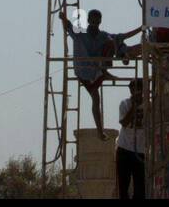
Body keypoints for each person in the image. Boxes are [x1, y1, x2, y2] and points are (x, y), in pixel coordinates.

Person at [58, 8, 141, 136]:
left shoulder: (102, 35)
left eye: (97, 22)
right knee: (96, 99)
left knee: (111, 41)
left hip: (97, 70)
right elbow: (68, 26)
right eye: (93, 21)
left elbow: (121, 36)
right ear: (89, 21)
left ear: (100, 22)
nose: (95, 24)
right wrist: (63, 18)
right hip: (84, 72)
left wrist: (140, 29)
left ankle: (124, 54)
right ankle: (100, 131)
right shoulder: (81, 33)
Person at [116, 78, 146, 199]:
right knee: (123, 187)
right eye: (133, 90)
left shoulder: (149, 105)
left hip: (140, 150)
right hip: (124, 149)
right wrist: (134, 107)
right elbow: (124, 122)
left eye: (138, 90)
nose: (136, 92)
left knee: (140, 189)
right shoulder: (125, 103)